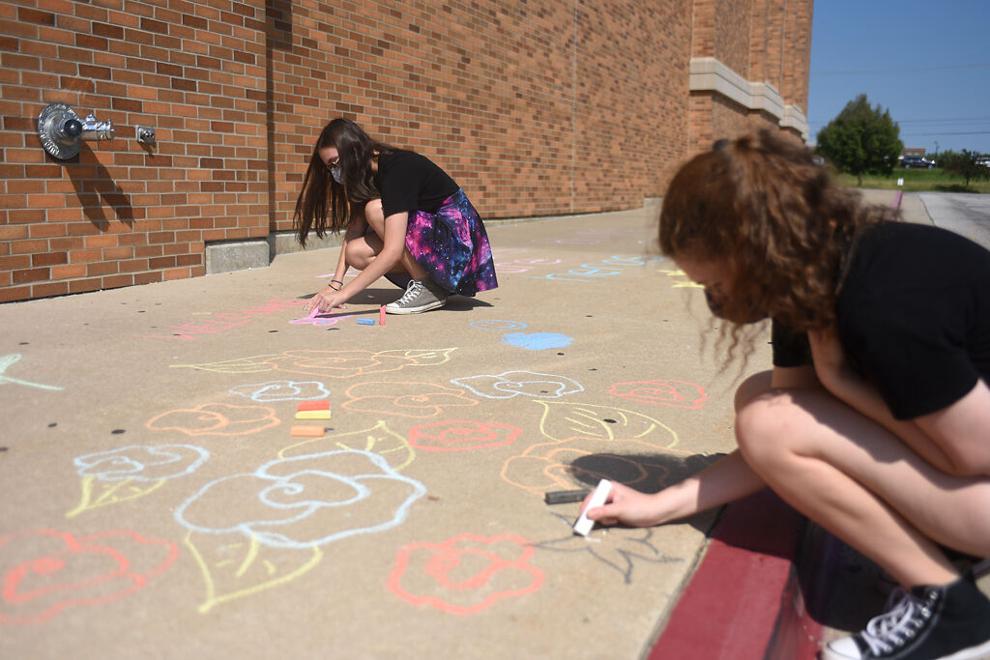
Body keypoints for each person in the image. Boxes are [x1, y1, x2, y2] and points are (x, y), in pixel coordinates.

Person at [583, 130, 990, 660]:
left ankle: (952, 612)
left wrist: (841, 385)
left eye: (716, 288)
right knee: (764, 400)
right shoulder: (813, 279)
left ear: (755, 253)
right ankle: (950, 554)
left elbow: (975, 452)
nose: (714, 304)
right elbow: (779, 444)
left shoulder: (884, 301)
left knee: (769, 416)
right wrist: (661, 505)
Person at [294, 118, 498, 315]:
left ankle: (428, 288)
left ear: (353, 151)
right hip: (440, 247)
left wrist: (342, 296)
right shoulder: (367, 175)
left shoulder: (396, 169)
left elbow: (393, 250)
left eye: (335, 163)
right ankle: (435, 284)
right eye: (329, 168)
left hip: (459, 248)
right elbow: (354, 230)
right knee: (355, 251)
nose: (334, 172)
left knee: (374, 210)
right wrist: (335, 285)